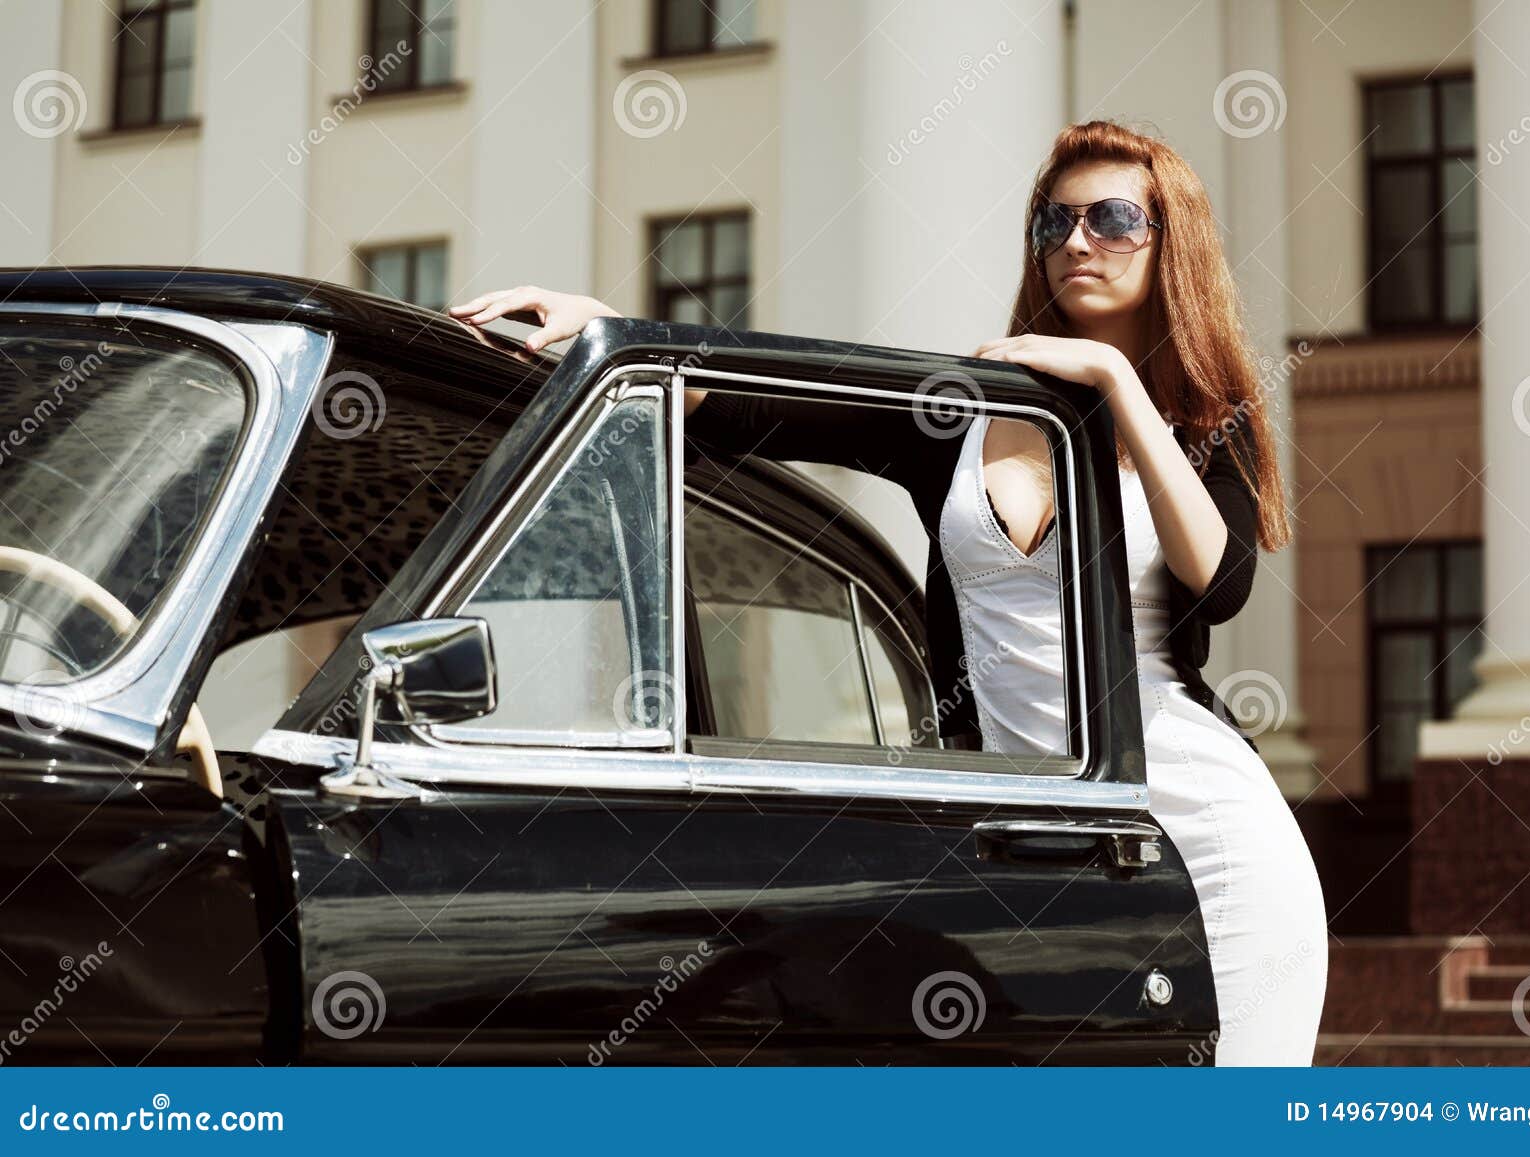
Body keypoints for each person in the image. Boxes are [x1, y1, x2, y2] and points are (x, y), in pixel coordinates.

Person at [450, 119, 1329, 1066]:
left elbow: (1223, 580)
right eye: (1056, 221)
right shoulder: (970, 409)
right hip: (1050, 846)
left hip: (1209, 833)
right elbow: (777, 401)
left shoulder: (1204, 423)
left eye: (1115, 219)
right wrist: (615, 335)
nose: (1078, 241)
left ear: (1172, 241)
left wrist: (1116, 380)